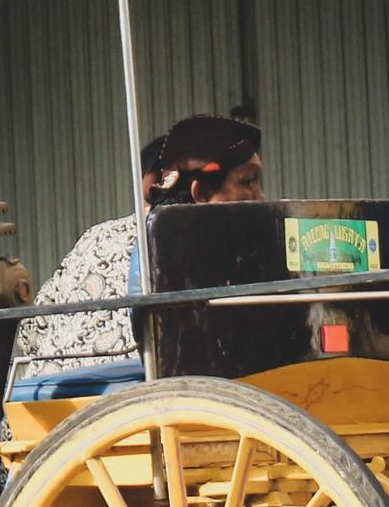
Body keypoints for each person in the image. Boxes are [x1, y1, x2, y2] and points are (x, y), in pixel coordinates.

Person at [17, 114, 267, 370]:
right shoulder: (200, 243)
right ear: (200, 192)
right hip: (137, 396)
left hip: (47, 391)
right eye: (248, 181)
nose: (261, 197)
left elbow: (30, 331)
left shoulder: (97, 234)